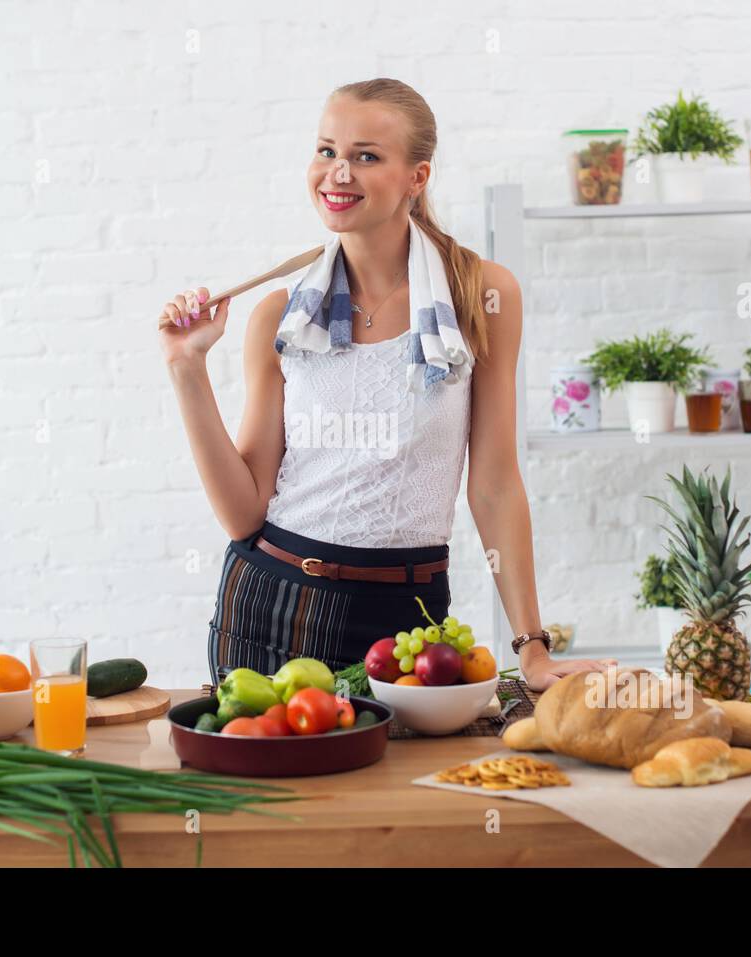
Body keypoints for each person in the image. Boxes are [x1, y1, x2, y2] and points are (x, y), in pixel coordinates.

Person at [159, 78, 615, 691]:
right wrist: (186, 368)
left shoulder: (480, 297)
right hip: (270, 606)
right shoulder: (281, 315)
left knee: (404, 790)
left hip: (407, 619)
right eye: (326, 151)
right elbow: (243, 514)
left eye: (366, 156)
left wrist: (532, 649)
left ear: (417, 177)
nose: (337, 173)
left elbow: (496, 483)